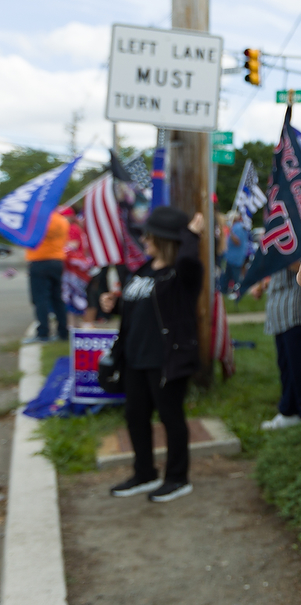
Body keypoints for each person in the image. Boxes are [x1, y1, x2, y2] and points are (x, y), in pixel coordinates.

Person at [101, 206, 205, 503]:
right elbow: (139, 308)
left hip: (166, 360)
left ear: (164, 239)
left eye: (150, 235)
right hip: (134, 358)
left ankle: (176, 478)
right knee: (135, 417)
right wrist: (115, 303)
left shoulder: (183, 273)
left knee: (171, 418)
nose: (144, 239)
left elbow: (186, 258)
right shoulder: (143, 270)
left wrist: (190, 234)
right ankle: (144, 473)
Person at [252, 261, 301, 430]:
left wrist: (283, 257)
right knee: (286, 364)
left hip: (299, 308)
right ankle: (290, 411)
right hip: (282, 307)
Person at [23, 207, 71, 345]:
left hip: (39, 260)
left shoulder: (38, 221)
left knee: (40, 299)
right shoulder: (62, 221)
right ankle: (63, 331)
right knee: (57, 298)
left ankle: (43, 332)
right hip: (57, 260)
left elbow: (27, 237)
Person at [224, 214, 251, 296]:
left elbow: (237, 242)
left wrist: (230, 232)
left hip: (235, 258)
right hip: (231, 257)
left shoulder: (238, 228)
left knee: (236, 278)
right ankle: (225, 291)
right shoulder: (237, 227)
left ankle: (240, 292)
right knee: (227, 277)